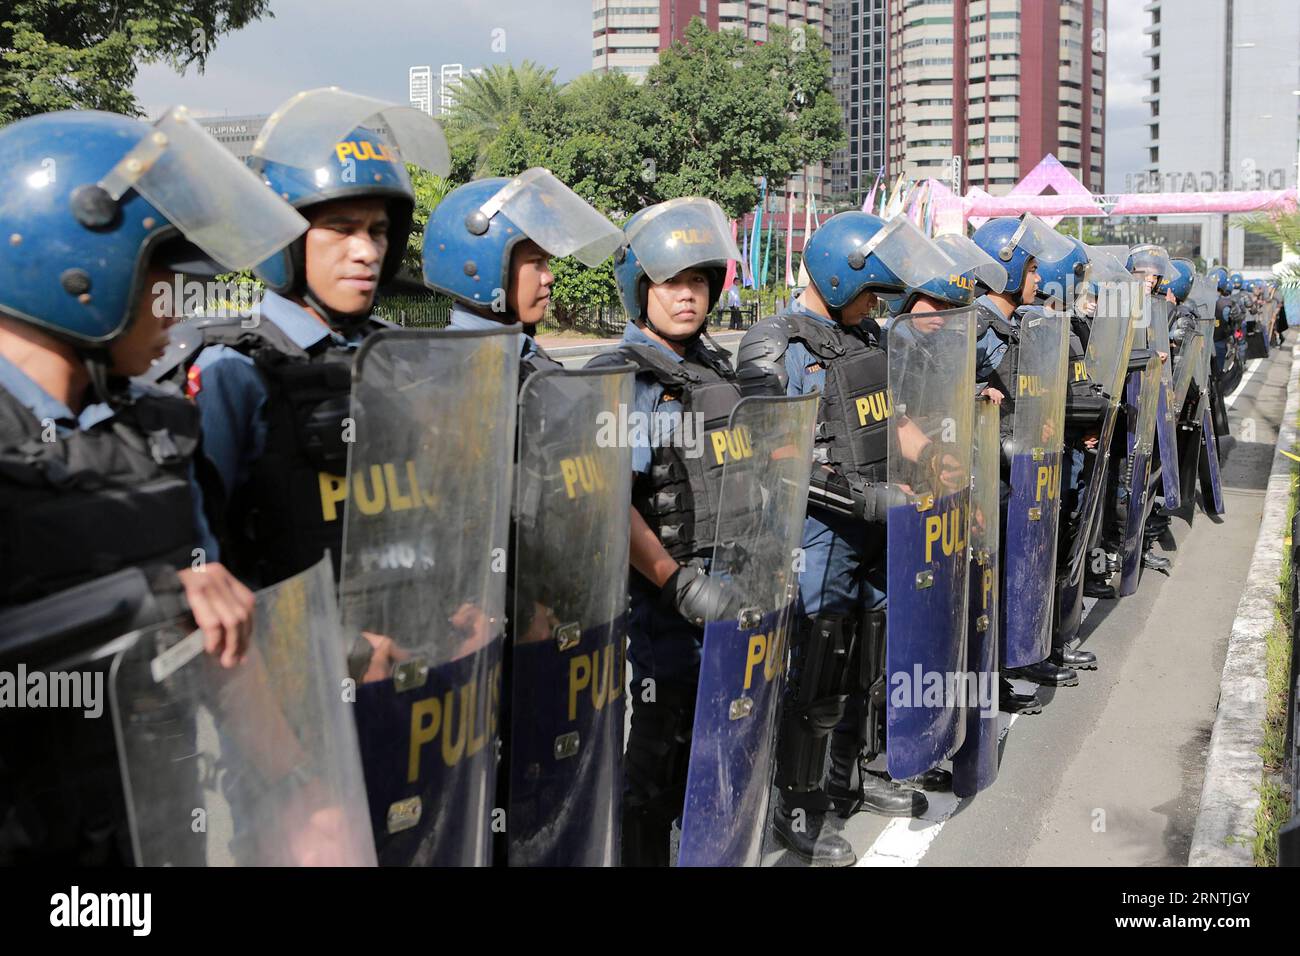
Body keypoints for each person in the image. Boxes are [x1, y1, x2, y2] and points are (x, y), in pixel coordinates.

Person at [0, 106, 300, 863]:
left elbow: (220, 632)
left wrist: (298, 795)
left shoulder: (158, 431)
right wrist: (141, 598)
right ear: (80, 264)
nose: (178, 298)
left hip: (146, 833)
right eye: (162, 269)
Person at [736, 213, 964, 864]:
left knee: (868, 657)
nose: (879, 305)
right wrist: (865, 498)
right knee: (817, 669)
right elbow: (776, 456)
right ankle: (796, 807)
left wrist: (939, 465)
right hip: (818, 534)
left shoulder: (867, 337)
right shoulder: (776, 343)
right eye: (872, 291)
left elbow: (894, 426)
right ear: (839, 276)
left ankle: (850, 782)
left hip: (875, 526)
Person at [584, 197, 746, 867]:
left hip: (734, 586)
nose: (689, 296)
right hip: (666, 604)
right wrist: (675, 583)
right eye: (673, 283)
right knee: (658, 746)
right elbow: (608, 499)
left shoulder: (715, 370)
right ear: (640, 287)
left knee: (720, 741)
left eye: (700, 282)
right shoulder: (623, 379)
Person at [970, 214, 1079, 691]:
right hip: (986, 471)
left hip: (1025, 464)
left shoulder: (1022, 323)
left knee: (1024, 563)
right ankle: (992, 671)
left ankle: (1020, 654)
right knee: (987, 578)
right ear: (1004, 269)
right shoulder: (973, 326)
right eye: (1031, 270)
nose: (1038, 279)